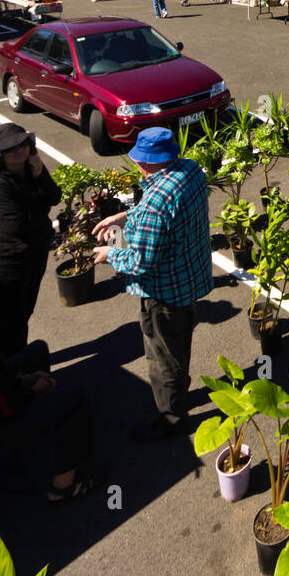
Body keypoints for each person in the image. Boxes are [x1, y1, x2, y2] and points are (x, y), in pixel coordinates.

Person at [91, 128, 213, 442]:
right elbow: (162, 214)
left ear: (146, 163)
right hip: (188, 282)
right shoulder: (190, 171)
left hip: (162, 295)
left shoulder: (156, 203)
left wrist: (109, 254)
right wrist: (124, 216)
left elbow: (139, 261)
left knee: (162, 360)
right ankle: (179, 396)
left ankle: (171, 418)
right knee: (179, 346)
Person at [0, 313, 101, 502]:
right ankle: (62, 488)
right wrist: (34, 390)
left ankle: (41, 438)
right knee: (75, 400)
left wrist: (21, 379)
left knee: (38, 350)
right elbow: (6, 407)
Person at [0, 125, 61, 356]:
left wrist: (39, 178)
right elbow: (15, 226)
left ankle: (15, 366)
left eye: (22, 144)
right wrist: (42, 214)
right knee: (11, 324)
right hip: (8, 264)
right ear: (1, 154)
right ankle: (10, 373)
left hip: (34, 256)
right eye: (11, 148)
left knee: (24, 313)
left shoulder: (33, 168)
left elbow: (54, 197)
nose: (19, 151)